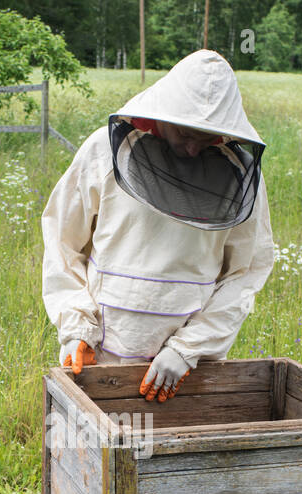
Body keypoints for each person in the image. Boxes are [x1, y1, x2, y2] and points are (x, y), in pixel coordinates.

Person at [42, 49, 275, 402]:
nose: (193, 148)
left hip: (186, 371)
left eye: (207, 137)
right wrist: (76, 329)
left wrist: (187, 350)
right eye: (185, 132)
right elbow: (62, 243)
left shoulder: (241, 178)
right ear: (160, 115)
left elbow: (245, 273)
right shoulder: (104, 152)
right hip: (100, 352)